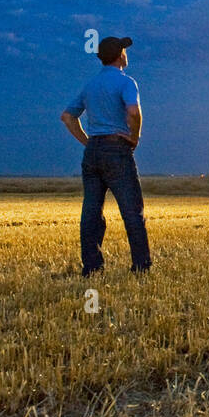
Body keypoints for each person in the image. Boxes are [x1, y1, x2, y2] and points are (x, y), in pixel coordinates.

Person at [60, 36, 151, 276]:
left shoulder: (90, 85)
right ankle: (141, 268)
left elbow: (67, 117)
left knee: (91, 212)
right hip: (117, 151)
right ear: (120, 55)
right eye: (124, 50)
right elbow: (133, 111)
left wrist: (87, 142)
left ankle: (92, 267)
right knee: (132, 212)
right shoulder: (127, 82)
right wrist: (135, 137)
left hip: (93, 153)